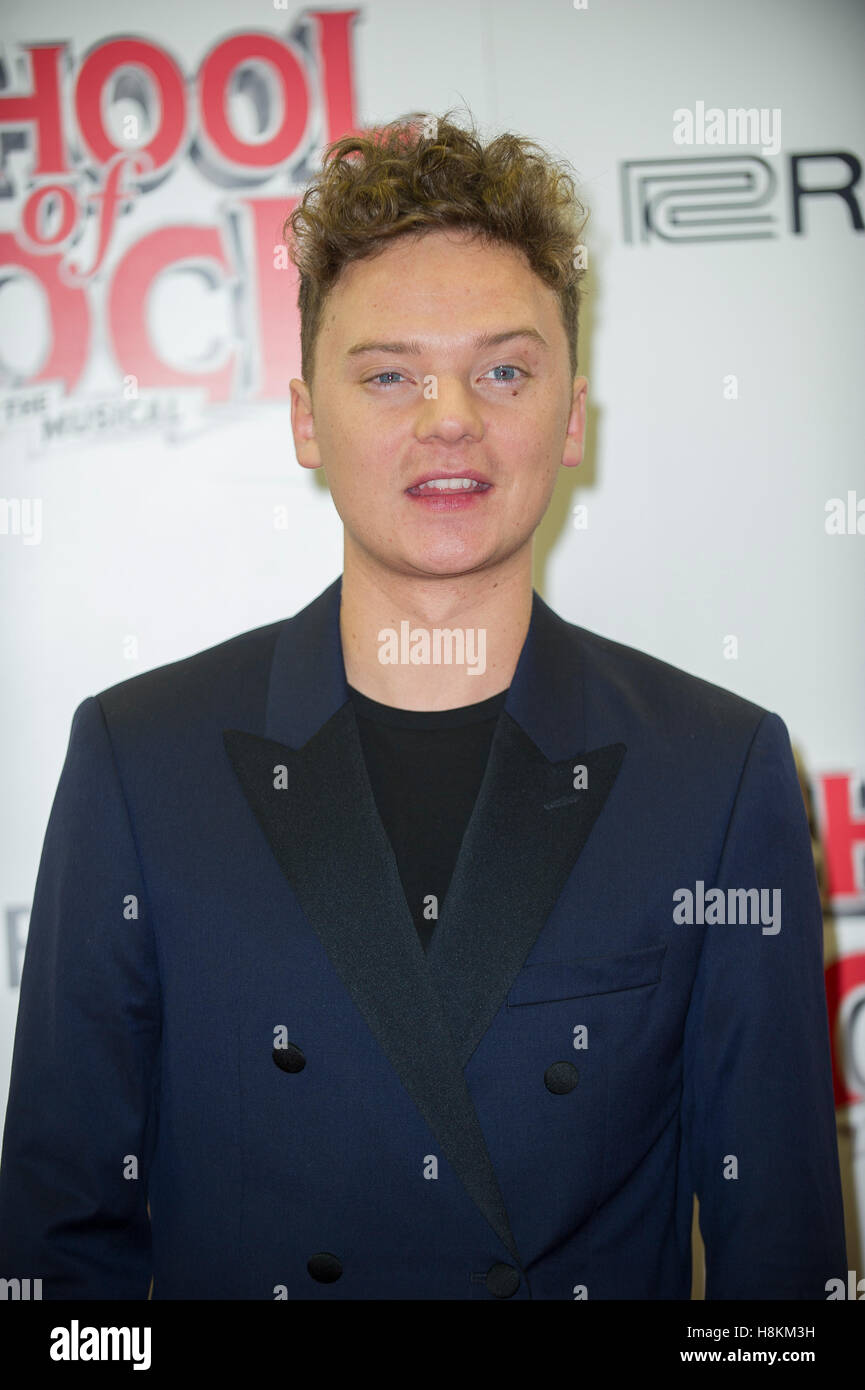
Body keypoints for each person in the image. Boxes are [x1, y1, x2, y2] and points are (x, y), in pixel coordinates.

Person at [0, 110, 847, 1300]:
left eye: (502, 369)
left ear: (569, 416)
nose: (449, 417)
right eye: (389, 374)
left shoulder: (716, 770)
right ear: (305, 417)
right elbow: (60, 1248)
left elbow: (782, 1273)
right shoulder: (142, 761)